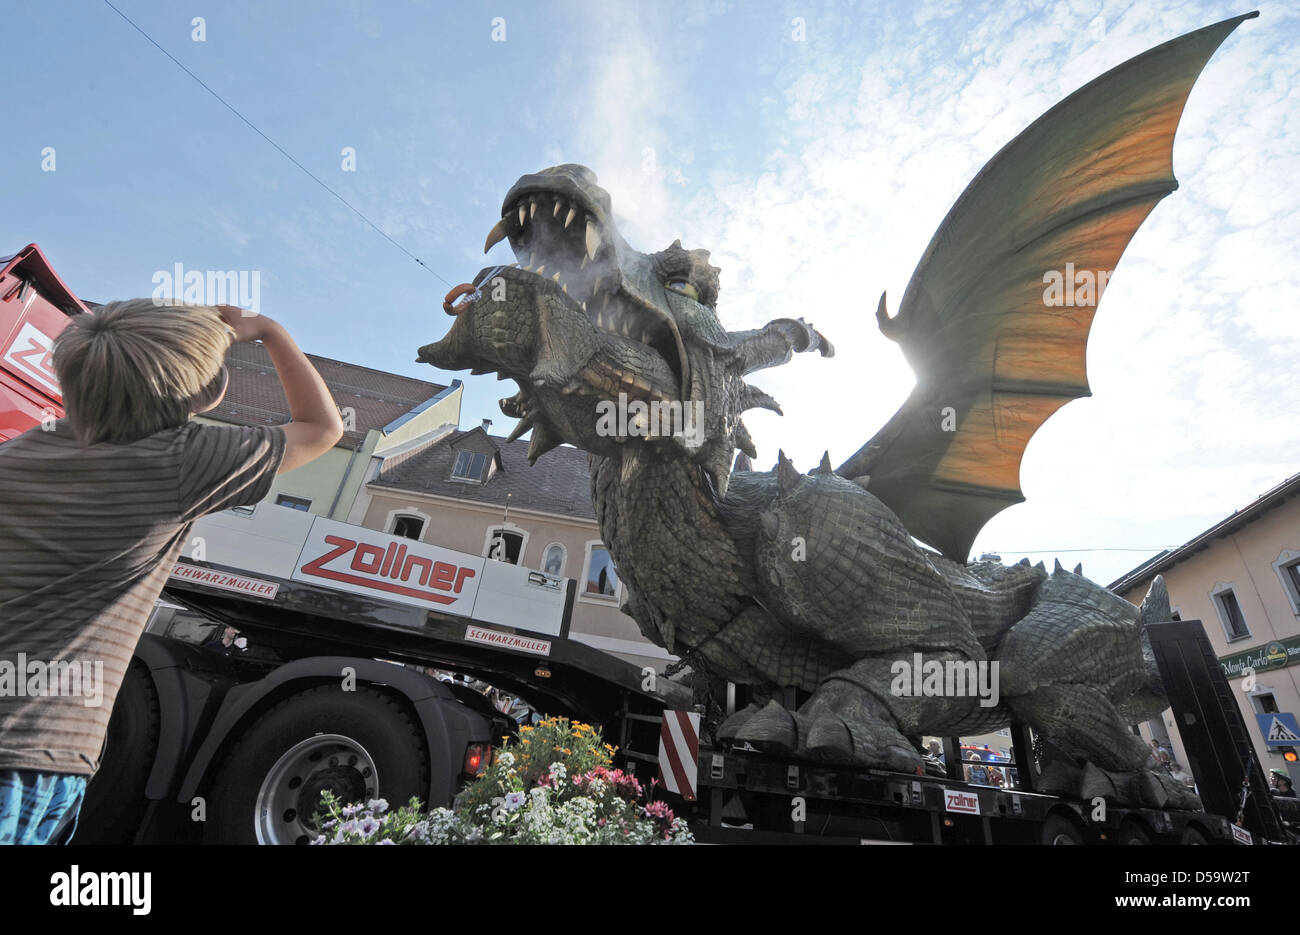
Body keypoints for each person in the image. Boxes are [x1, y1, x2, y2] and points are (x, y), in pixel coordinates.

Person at [0, 299, 342, 844]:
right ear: (206, 392)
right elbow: (321, 428)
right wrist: (271, 332)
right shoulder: (180, 461)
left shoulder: (18, 453)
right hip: (35, 748)